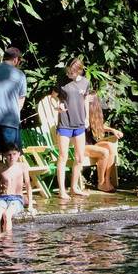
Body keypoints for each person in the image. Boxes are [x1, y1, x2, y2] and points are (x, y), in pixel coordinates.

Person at [0, 45, 27, 207]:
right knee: (12, 157)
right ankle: (13, 194)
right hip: (10, 120)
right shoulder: (20, 75)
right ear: (16, 60)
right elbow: (21, 101)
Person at [53, 57, 91, 200]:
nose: (70, 74)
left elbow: (86, 99)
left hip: (79, 124)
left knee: (80, 157)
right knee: (63, 156)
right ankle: (62, 190)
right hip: (65, 123)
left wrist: (87, 118)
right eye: (69, 71)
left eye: (73, 73)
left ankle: (74, 187)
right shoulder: (62, 80)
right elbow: (53, 97)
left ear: (79, 71)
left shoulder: (85, 82)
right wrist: (58, 105)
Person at [0, 147, 33, 235]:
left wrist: (30, 205)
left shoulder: (22, 166)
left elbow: (28, 185)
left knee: (7, 215)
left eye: (14, 154)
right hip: (2, 198)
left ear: (19, 154)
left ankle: (8, 241)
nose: (11, 157)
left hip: (16, 199)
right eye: (9, 155)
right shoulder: (1, 167)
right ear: (4, 155)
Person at [83, 94, 121, 193]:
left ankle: (107, 181)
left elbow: (98, 125)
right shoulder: (80, 113)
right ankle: (101, 183)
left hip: (90, 145)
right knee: (104, 152)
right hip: (80, 146)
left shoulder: (92, 114)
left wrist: (113, 130)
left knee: (110, 147)